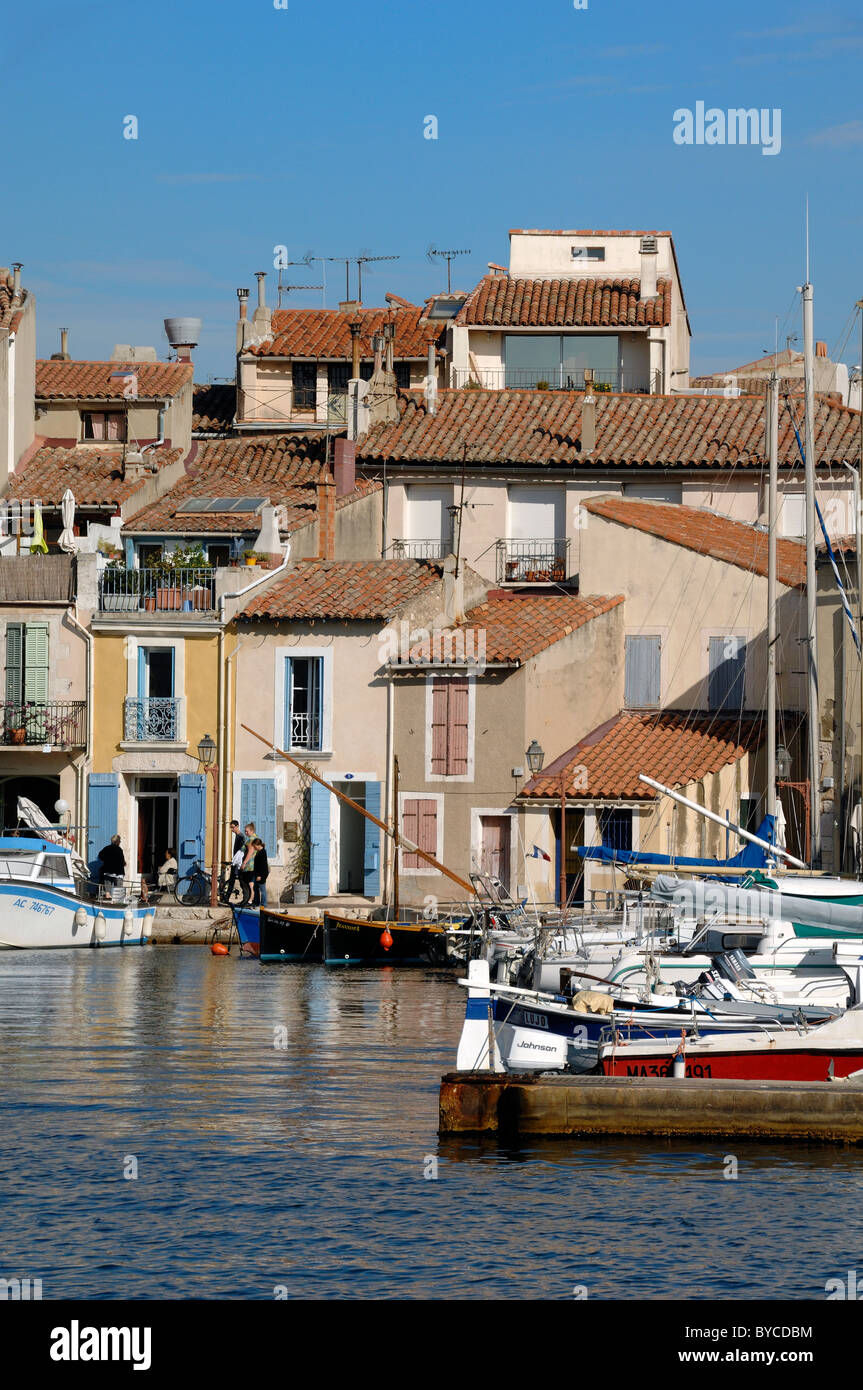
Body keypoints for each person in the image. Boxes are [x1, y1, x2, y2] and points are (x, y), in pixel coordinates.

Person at [221, 820, 245, 902]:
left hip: (238, 863)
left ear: (237, 826)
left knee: (241, 881)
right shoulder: (238, 836)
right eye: (231, 827)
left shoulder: (241, 837)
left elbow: (242, 851)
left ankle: (246, 897)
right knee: (231, 880)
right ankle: (226, 898)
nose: (231, 829)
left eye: (233, 827)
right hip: (235, 862)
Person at [250, 837, 269, 908]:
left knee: (262, 889)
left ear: (257, 845)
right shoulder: (259, 852)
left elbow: (263, 865)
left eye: (254, 846)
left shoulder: (262, 852)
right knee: (256, 888)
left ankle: (263, 904)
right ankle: (257, 903)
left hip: (261, 875)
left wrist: (260, 875)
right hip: (257, 874)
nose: (254, 848)